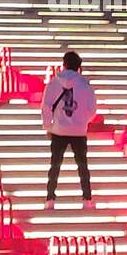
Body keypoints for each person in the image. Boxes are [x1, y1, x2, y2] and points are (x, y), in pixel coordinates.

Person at [41, 52, 97, 209]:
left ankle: (50, 199)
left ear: (64, 64)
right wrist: (83, 121)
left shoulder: (53, 83)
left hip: (59, 129)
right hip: (79, 130)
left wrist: (48, 125)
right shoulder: (85, 85)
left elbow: (46, 106)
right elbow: (92, 108)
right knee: (82, 165)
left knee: (55, 165)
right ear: (79, 67)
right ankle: (87, 199)